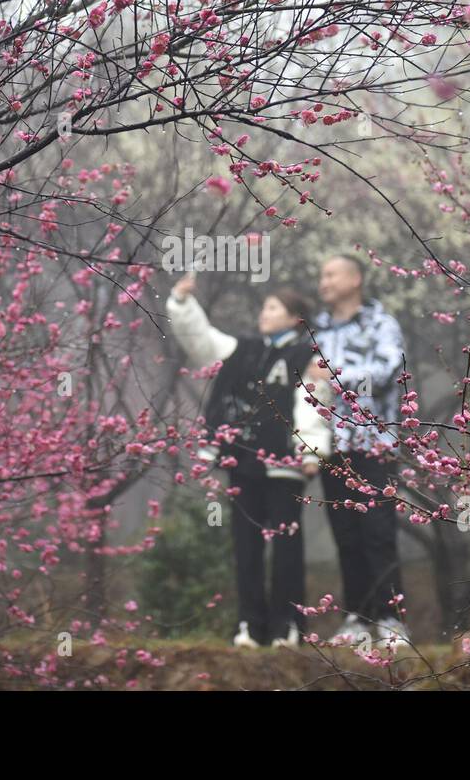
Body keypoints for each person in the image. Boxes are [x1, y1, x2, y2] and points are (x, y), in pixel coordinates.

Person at [166, 273, 331, 649]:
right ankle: (249, 626)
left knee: (288, 546)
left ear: (294, 318)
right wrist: (181, 302)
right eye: (264, 307)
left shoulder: (307, 356)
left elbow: (314, 404)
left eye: (272, 308)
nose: (263, 314)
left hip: (285, 465)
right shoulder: (244, 348)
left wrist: (310, 450)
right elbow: (201, 339)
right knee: (246, 545)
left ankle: (287, 626)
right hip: (242, 462)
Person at [311, 254, 411, 648]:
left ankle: (391, 619)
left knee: (377, 532)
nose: (324, 282)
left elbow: (386, 377)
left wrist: (335, 375)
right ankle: (357, 617)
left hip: (374, 444)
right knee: (346, 535)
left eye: (331, 273)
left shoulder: (382, 325)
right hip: (331, 446)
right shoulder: (316, 328)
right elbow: (305, 380)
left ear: (355, 279)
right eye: (322, 275)